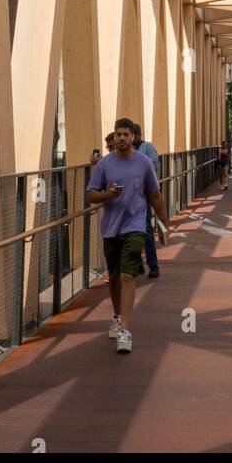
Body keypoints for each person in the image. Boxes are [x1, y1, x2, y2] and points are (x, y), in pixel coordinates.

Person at [87, 118, 170, 353]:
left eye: (125, 134)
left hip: (135, 226)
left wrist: (164, 222)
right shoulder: (104, 165)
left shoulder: (144, 163)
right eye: (118, 135)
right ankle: (116, 316)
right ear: (113, 138)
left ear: (133, 137)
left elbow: (154, 194)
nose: (121, 138)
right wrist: (108, 195)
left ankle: (125, 329)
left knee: (127, 276)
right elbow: (91, 196)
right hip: (111, 227)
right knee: (113, 278)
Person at [132, 123, 161, 278]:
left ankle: (153, 265)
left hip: (143, 196)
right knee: (131, 230)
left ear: (137, 135)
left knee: (146, 230)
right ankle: (137, 264)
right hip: (129, 198)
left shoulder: (147, 147)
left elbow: (153, 165)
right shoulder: (125, 151)